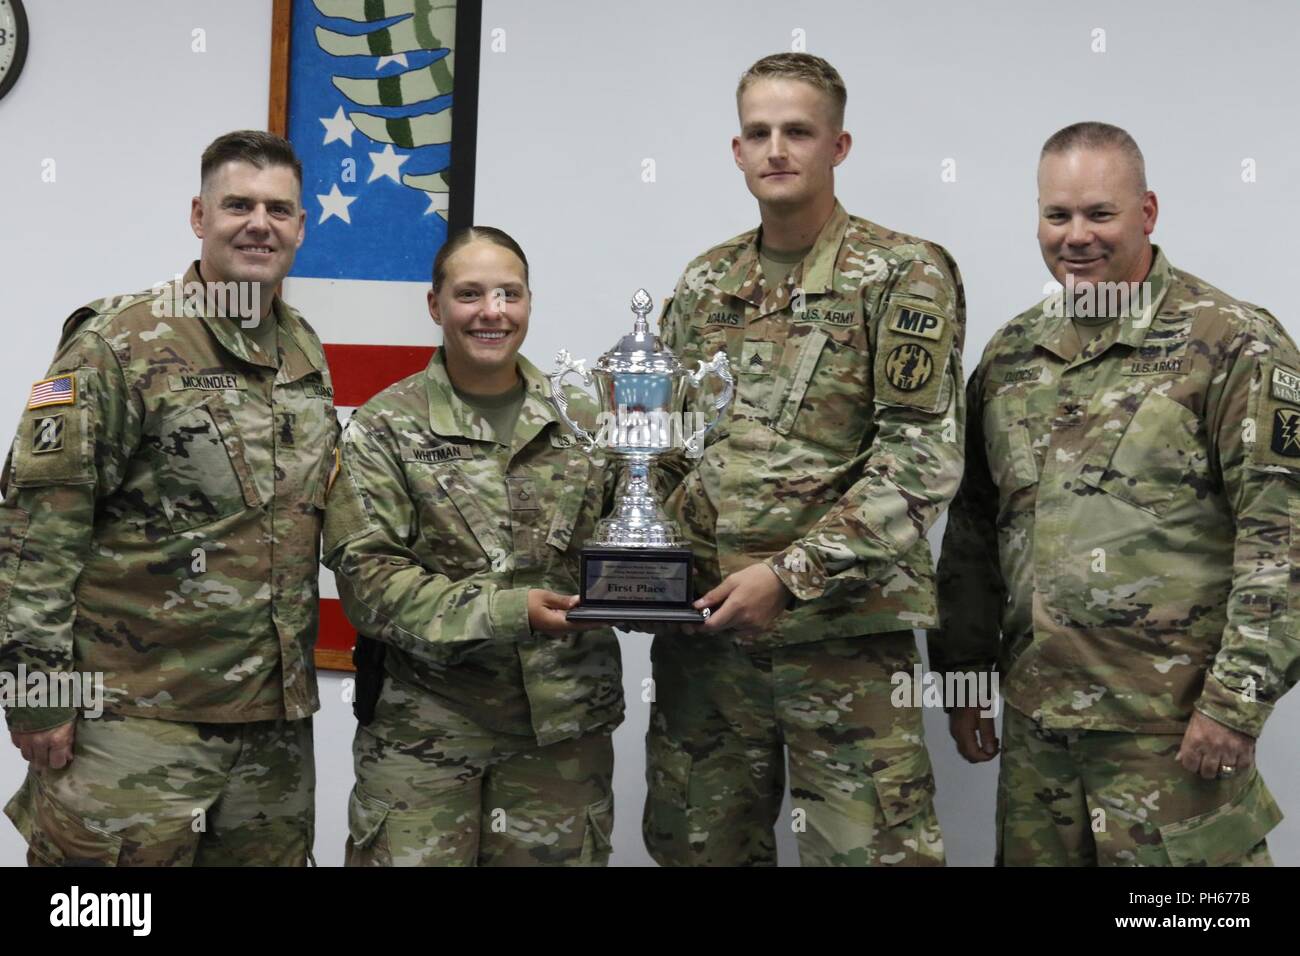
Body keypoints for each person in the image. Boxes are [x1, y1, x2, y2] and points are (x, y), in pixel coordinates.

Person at [933, 121, 1298, 866]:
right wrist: (965, 674)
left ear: (1147, 213)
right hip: (1040, 743)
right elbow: (973, 532)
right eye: (1057, 215)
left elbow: (1284, 539)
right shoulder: (1011, 356)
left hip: (1173, 739)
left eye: (1099, 214)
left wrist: (1235, 706)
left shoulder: (1232, 344)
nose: (1076, 237)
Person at [641, 53, 965, 866]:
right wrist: (647, 569)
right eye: (760, 132)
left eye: (798, 131)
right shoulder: (706, 280)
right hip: (709, 644)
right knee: (698, 851)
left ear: (839, 146)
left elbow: (918, 461)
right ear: (738, 150)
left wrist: (788, 576)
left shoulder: (903, 273)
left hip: (842, 641)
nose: (777, 148)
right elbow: (670, 451)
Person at [0, 130, 338, 866]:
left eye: (279, 209)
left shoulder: (303, 349)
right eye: (237, 205)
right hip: (129, 722)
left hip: (271, 731)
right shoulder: (118, 342)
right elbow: (36, 524)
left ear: (302, 226)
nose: (259, 224)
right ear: (198, 216)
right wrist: (34, 687)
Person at [323, 226, 624, 866]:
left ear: (529, 303)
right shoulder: (384, 426)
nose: (492, 312)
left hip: (562, 735)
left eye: (509, 294)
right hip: (425, 733)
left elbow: (638, 540)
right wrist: (510, 611)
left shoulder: (589, 418)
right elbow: (370, 584)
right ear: (436, 306)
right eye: (470, 294)